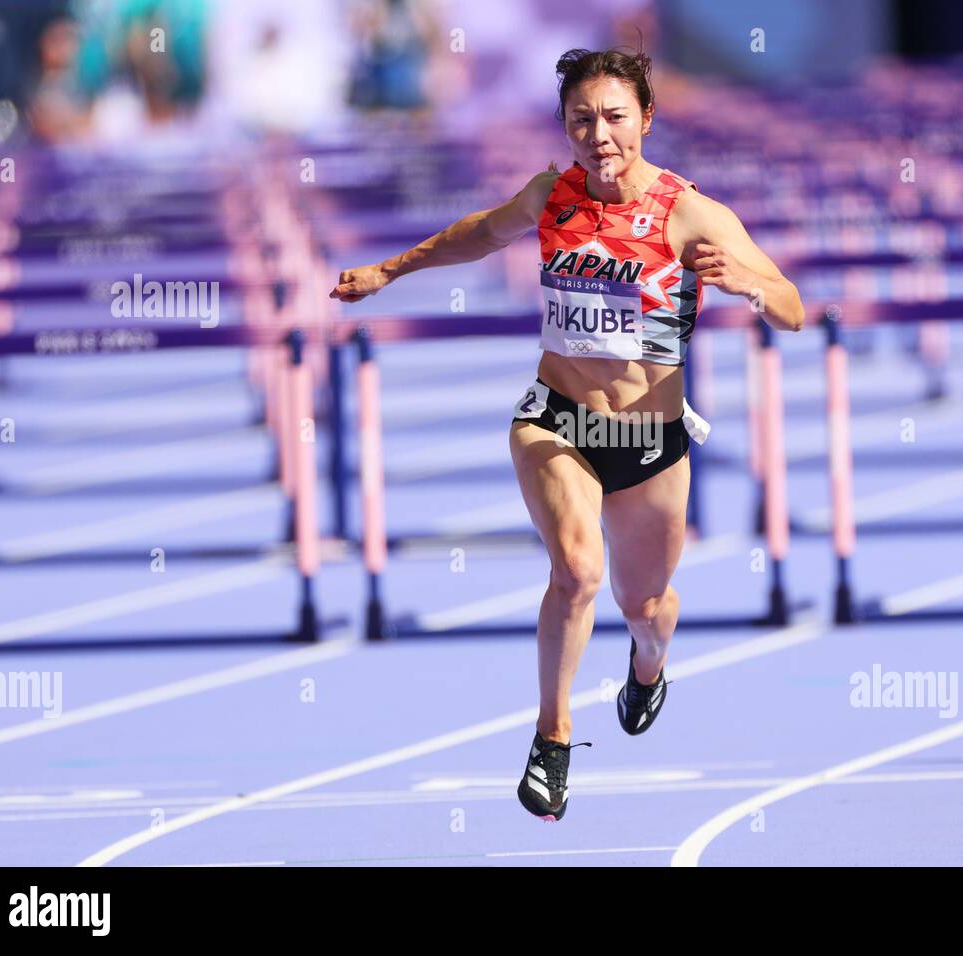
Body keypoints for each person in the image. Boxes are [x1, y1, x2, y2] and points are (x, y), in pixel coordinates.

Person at [330, 47, 804, 821]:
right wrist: (389, 270)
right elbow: (479, 233)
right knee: (577, 573)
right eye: (582, 119)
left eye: (616, 117)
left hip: (649, 442)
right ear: (565, 126)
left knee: (645, 606)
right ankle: (552, 738)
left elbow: (793, 305)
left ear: (646, 119)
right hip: (557, 420)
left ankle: (648, 666)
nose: (600, 134)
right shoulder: (553, 193)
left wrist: (747, 283)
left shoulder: (691, 212)